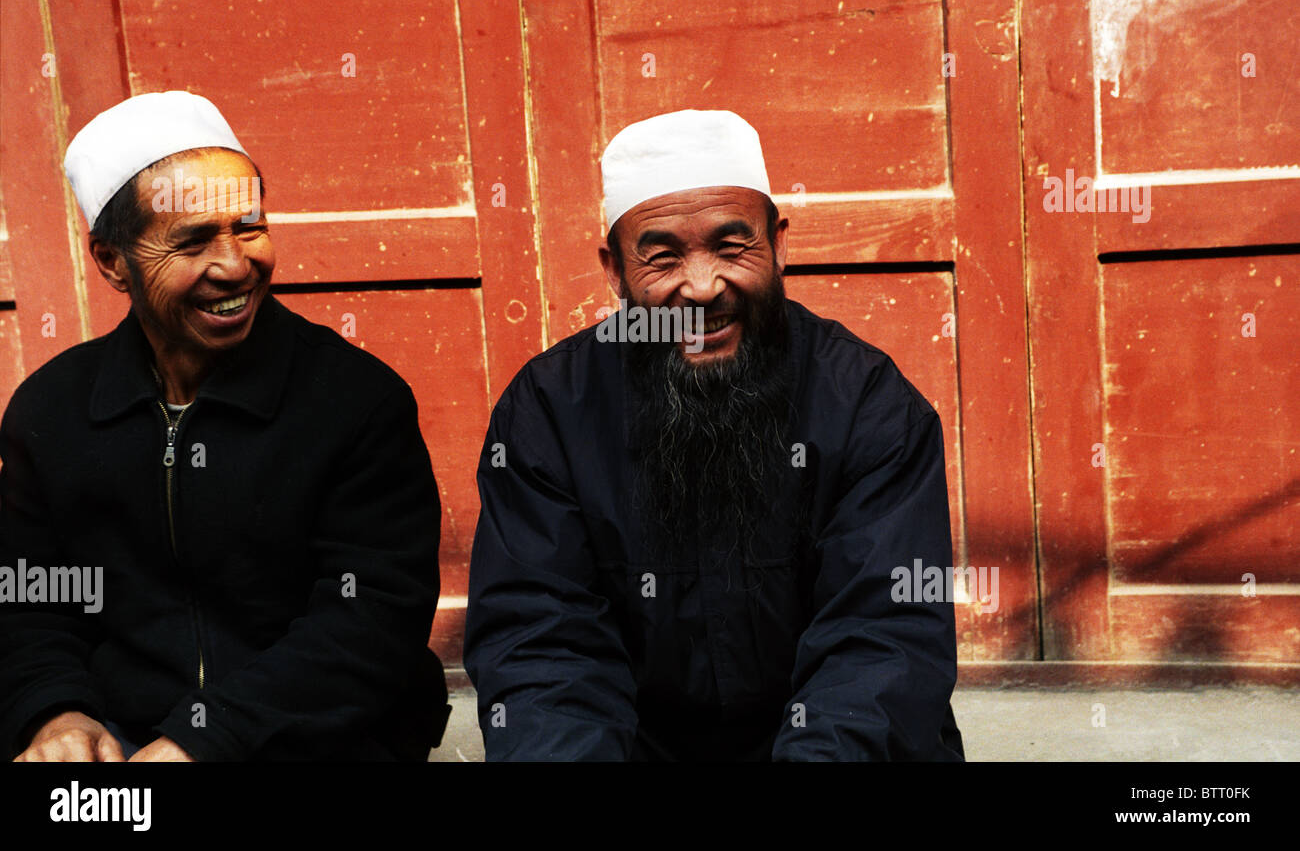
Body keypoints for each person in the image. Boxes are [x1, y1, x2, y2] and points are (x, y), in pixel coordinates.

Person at [465, 109, 964, 760]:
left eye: (732, 249)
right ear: (614, 271)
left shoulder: (867, 401)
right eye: (663, 258)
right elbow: (540, 645)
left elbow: (883, 641)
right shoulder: (550, 410)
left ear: (778, 245)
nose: (702, 287)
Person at [0, 91, 449, 761]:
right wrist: (54, 713)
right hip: (123, 737)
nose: (235, 265)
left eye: (249, 227)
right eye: (192, 241)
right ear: (111, 261)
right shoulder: (52, 412)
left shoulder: (354, 400)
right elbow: (33, 597)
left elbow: (369, 619)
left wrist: (202, 739)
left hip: (318, 737)